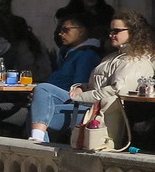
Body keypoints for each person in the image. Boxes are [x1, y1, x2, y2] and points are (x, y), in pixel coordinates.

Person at [29, 11, 154, 143]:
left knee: (38, 115)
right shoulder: (113, 55)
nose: (111, 34)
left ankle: (38, 145)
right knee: (43, 89)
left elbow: (116, 91)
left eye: (116, 31)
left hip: (101, 111)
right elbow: (97, 82)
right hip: (87, 102)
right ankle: (39, 141)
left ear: (133, 32)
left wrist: (79, 97)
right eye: (110, 30)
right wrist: (81, 87)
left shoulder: (137, 60)